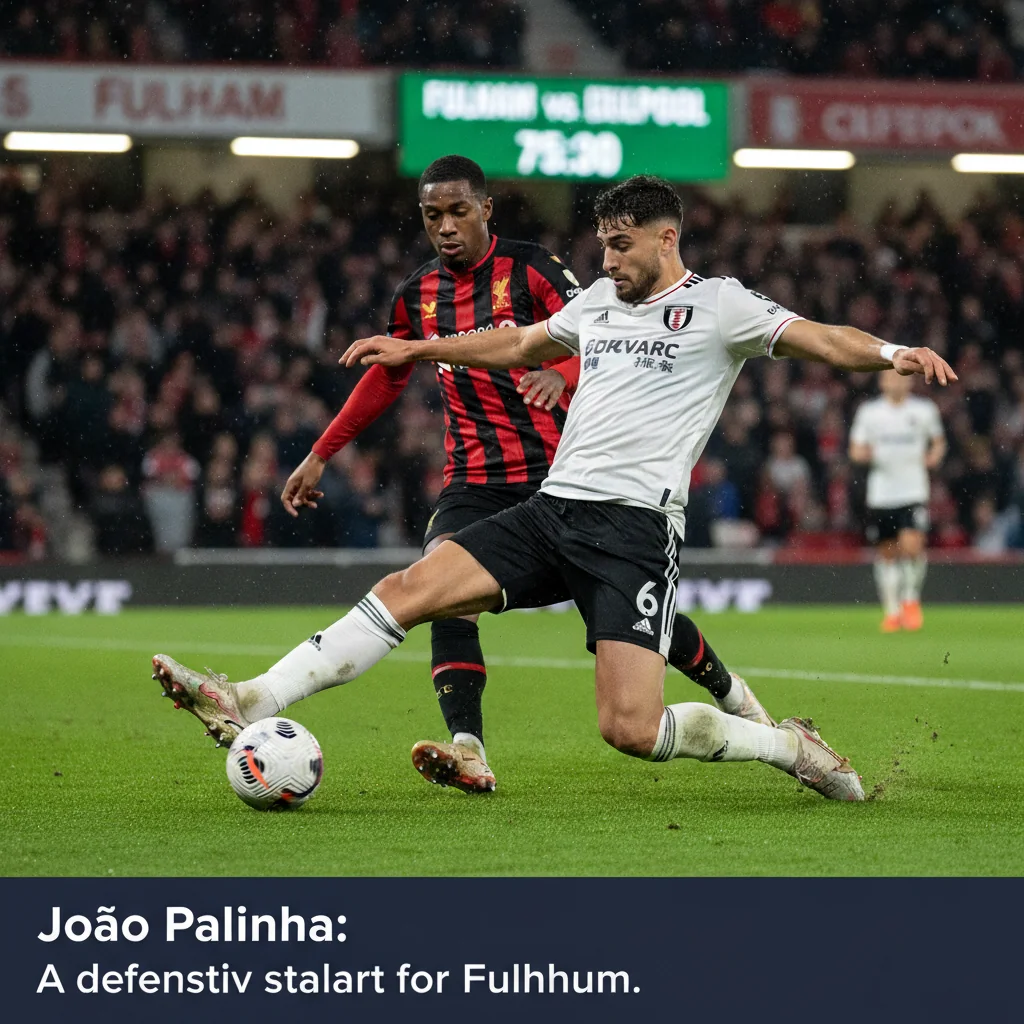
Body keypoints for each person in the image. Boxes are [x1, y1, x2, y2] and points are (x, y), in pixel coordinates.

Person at [153, 175, 957, 803]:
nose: (605, 262)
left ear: (666, 238)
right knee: (412, 587)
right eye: (602, 245)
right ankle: (252, 696)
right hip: (549, 508)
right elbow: (518, 344)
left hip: (633, 530)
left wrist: (892, 352)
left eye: (620, 246)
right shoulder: (601, 301)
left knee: (631, 729)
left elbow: (818, 337)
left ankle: (786, 746)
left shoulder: (720, 306)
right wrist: (418, 348)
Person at [275, 157, 774, 794]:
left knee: (635, 616)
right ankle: (469, 747)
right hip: (475, 478)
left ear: (486, 210)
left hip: (560, 476)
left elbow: (594, 331)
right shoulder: (418, 293)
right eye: (433, 216)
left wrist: (559, 374)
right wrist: (322, 450)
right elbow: (389, 372)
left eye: (459, 211)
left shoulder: (535, 268)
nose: (447, 227)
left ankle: (733, 697)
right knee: (439, 584)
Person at [849, 369, 946, 632]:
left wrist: (934, 456)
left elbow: (938, 442)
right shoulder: (870, 413)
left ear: (910, 381)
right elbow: (856, 449)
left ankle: (910, 600)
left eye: (901, 377)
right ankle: (891, 611)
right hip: (882, 492)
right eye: (891, 377)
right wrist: (865, 454)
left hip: (913, 490)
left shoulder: (924, 410)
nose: (896, 381)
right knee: (887, 553)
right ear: (881, 382)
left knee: (913, 546)